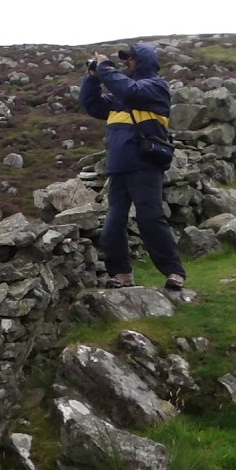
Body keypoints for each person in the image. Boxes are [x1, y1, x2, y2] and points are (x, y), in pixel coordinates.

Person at [79, 43, 186, 291]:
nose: (126, 63)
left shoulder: (155, 87)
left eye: (131, 59)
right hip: (118, 167)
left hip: (145, 165)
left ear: (144, 61)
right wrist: (92, 78)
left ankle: (174, 271)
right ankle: (121, 274)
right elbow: (91, 105)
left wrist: (106, 66)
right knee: (113, 224)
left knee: (150, 219)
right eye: (124, 60)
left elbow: (131, 90)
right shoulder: (120, 98)